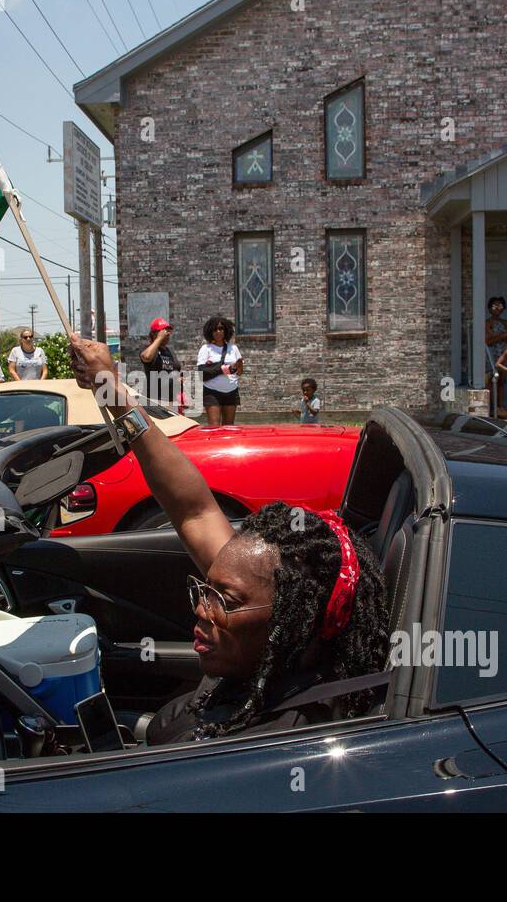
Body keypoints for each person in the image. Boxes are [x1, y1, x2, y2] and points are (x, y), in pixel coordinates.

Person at [67, 335, 391, 744]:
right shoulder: (262, 652)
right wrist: (112, 391)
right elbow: (192, 509)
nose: (202, 610)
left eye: (225, 599)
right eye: (207, 590)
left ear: (296, 623)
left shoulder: (273, 744)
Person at [197, 316, 242, 425]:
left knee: (229, 427)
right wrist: (225, 369)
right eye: (215, 329)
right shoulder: (206, 349)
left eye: (221, 328)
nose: (218, 331)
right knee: (214, 427)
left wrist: (239, 366)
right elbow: (202, 374)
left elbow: (239, 372)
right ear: (210, 332)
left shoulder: (233, 348)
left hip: (231, 391)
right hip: (212, 393)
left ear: (226, 330)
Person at [140, 317, 183, 407]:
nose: (167, 333)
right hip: (154, 400)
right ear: (154, 333)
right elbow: (146, 357)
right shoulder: (148, 349)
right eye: (163, 331)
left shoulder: (169, 352)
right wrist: (159, 339)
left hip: (171, 400)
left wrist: (178, 380)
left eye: (168, 331)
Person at [484, 296, 507, 414]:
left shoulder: (505, 322)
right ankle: (492, 407)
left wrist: (498, 337)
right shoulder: (487, 322)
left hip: (502, 354)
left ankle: (500, 406)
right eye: (494, 306)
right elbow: (488, 340)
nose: (497, 308)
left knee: (501, 381)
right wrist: (502, 336)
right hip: (491, 355)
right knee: (491, 380)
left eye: (500, 306)